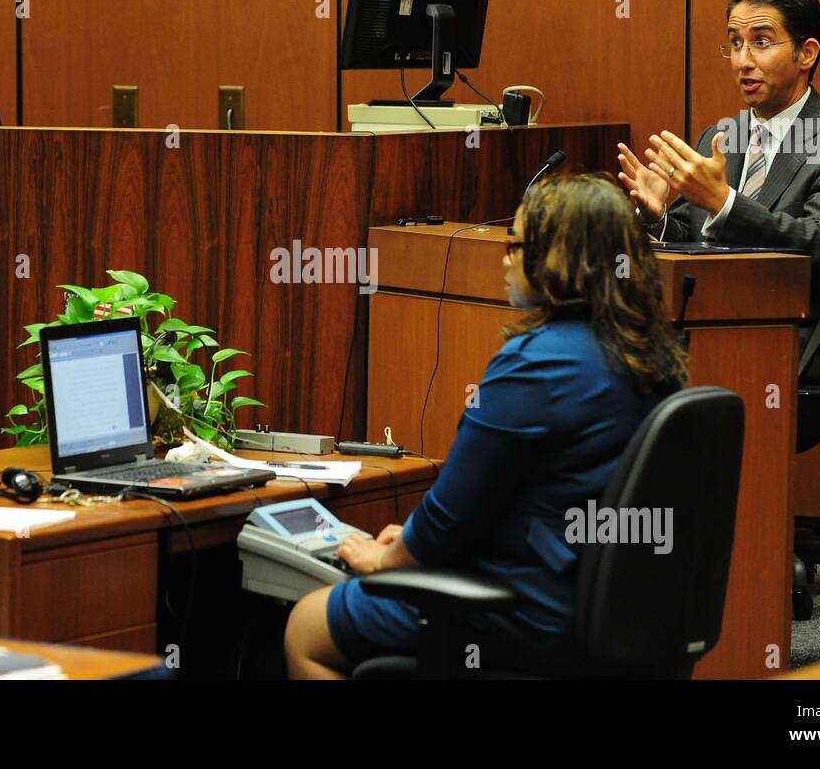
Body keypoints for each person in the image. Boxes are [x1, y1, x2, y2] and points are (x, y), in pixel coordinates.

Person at [283, 175, 691, 679]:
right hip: (631, 620)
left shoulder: (535, 363)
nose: (504, 258)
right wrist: (411, 540)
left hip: (532, 614)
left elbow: (450, 518)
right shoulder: (655, 357)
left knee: (305, 627)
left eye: (514, 245)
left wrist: (388, 558)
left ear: (556, 258)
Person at [617, 0, 820, 384]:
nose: (742, 60)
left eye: (761, 42)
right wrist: (658, 219)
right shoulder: (724, 136)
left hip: (813, 330)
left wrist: (724, 202)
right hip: (725, 315)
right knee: (607, 344)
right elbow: (695, 241)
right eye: (735, 42)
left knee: (657, 371)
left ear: (806, 53)